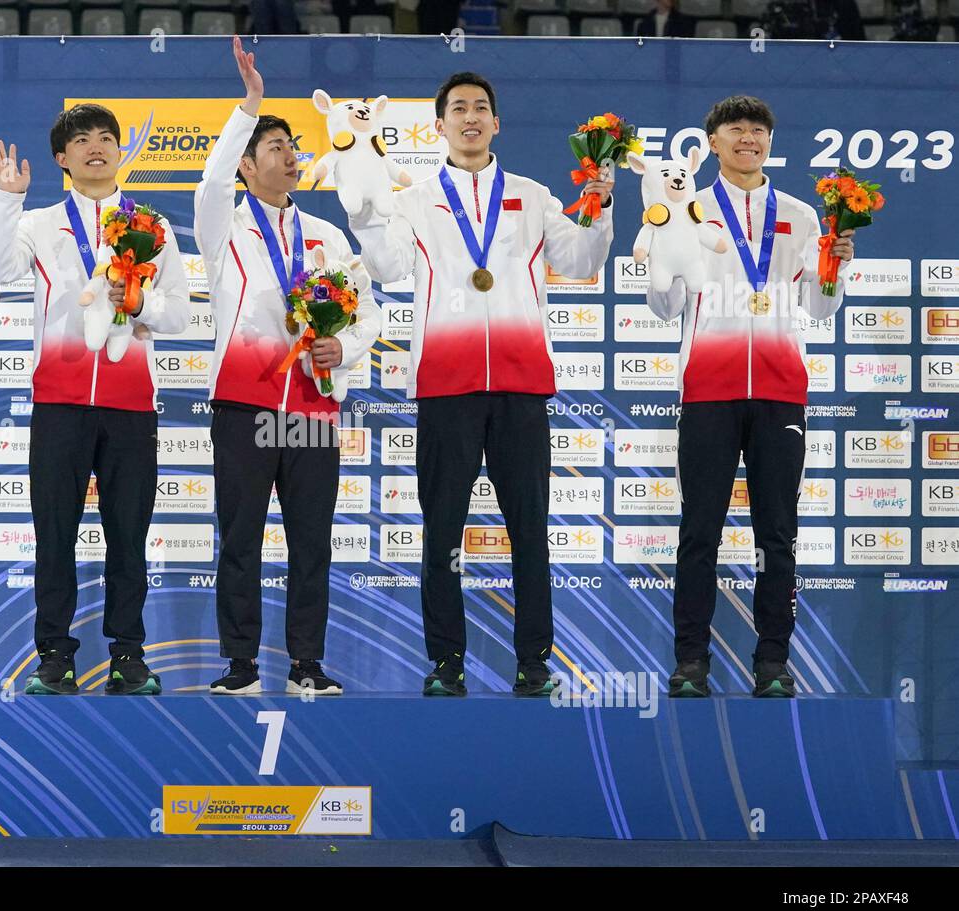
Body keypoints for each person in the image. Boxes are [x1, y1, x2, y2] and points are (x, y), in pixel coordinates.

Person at [348, 72, 614, 696]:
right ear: (438, 126)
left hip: (522, 384)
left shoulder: (533, 193)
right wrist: (363, 210)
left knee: (529, 529)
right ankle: (446, 662)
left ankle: (534, 662)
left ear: (497, 124)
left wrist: (600, 207)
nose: (471, 116)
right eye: (459, 108)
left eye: (482, 108)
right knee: (442, 529)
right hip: (446, 383)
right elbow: (386, 268)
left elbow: (582, 262)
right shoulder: (414, 200)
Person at [646, 95, 855, 698]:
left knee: (777, 534)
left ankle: (773, 662)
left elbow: (819, 307)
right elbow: (664, 308)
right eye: (735, 128)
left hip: (780, 389)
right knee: (698, 532)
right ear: (711, 142)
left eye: (758, 130)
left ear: (769, 142)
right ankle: (691, 662)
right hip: (709, 388)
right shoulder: (684, 209)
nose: (748, 137)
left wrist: (838, 270)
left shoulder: (802, 216)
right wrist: (661, 256)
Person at [193, 37, 381, 695]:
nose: (290, 155)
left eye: (292, 147)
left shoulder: (327, 237)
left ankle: (306, 664)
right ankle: (241, 664)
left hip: (311, 407)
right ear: (248, 167)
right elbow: (211, 179)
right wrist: (250, 106)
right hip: (245, 404)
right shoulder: (223, 227)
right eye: (275, 147)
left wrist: (345, 349)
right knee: (240, 539)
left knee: (311, 543)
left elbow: (371, 315)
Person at [0, 105, 189, 695]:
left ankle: (128, 655)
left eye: (106, 138)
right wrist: (5, 200)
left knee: (128, 535)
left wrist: (138, 305)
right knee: (55, 534)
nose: (95, 147)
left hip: (130, 404)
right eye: (81, 140)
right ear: (61, 159)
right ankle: (55, 657)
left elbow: (177, 310)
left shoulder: (152, 227)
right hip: (60, 399)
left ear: (121, 152)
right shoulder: (39, 224)